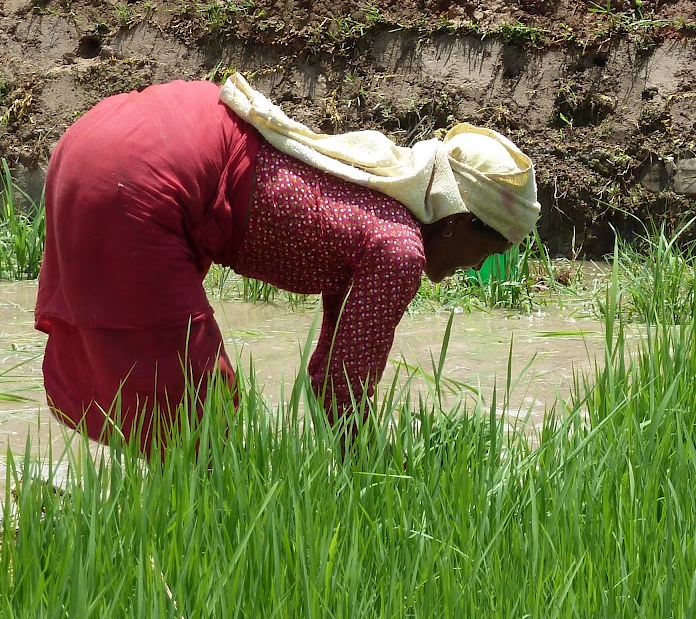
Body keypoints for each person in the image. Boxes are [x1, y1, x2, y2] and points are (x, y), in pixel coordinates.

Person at [34, 73, 539, 449]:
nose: (476, 269)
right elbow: (345, 392)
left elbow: (331, 377)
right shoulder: (399, 248)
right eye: (488, 252)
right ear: (456, 221)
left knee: (175, 402)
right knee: (201, 422)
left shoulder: (379, 207)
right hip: (146, 171)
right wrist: (370, 486)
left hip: (112, 135)